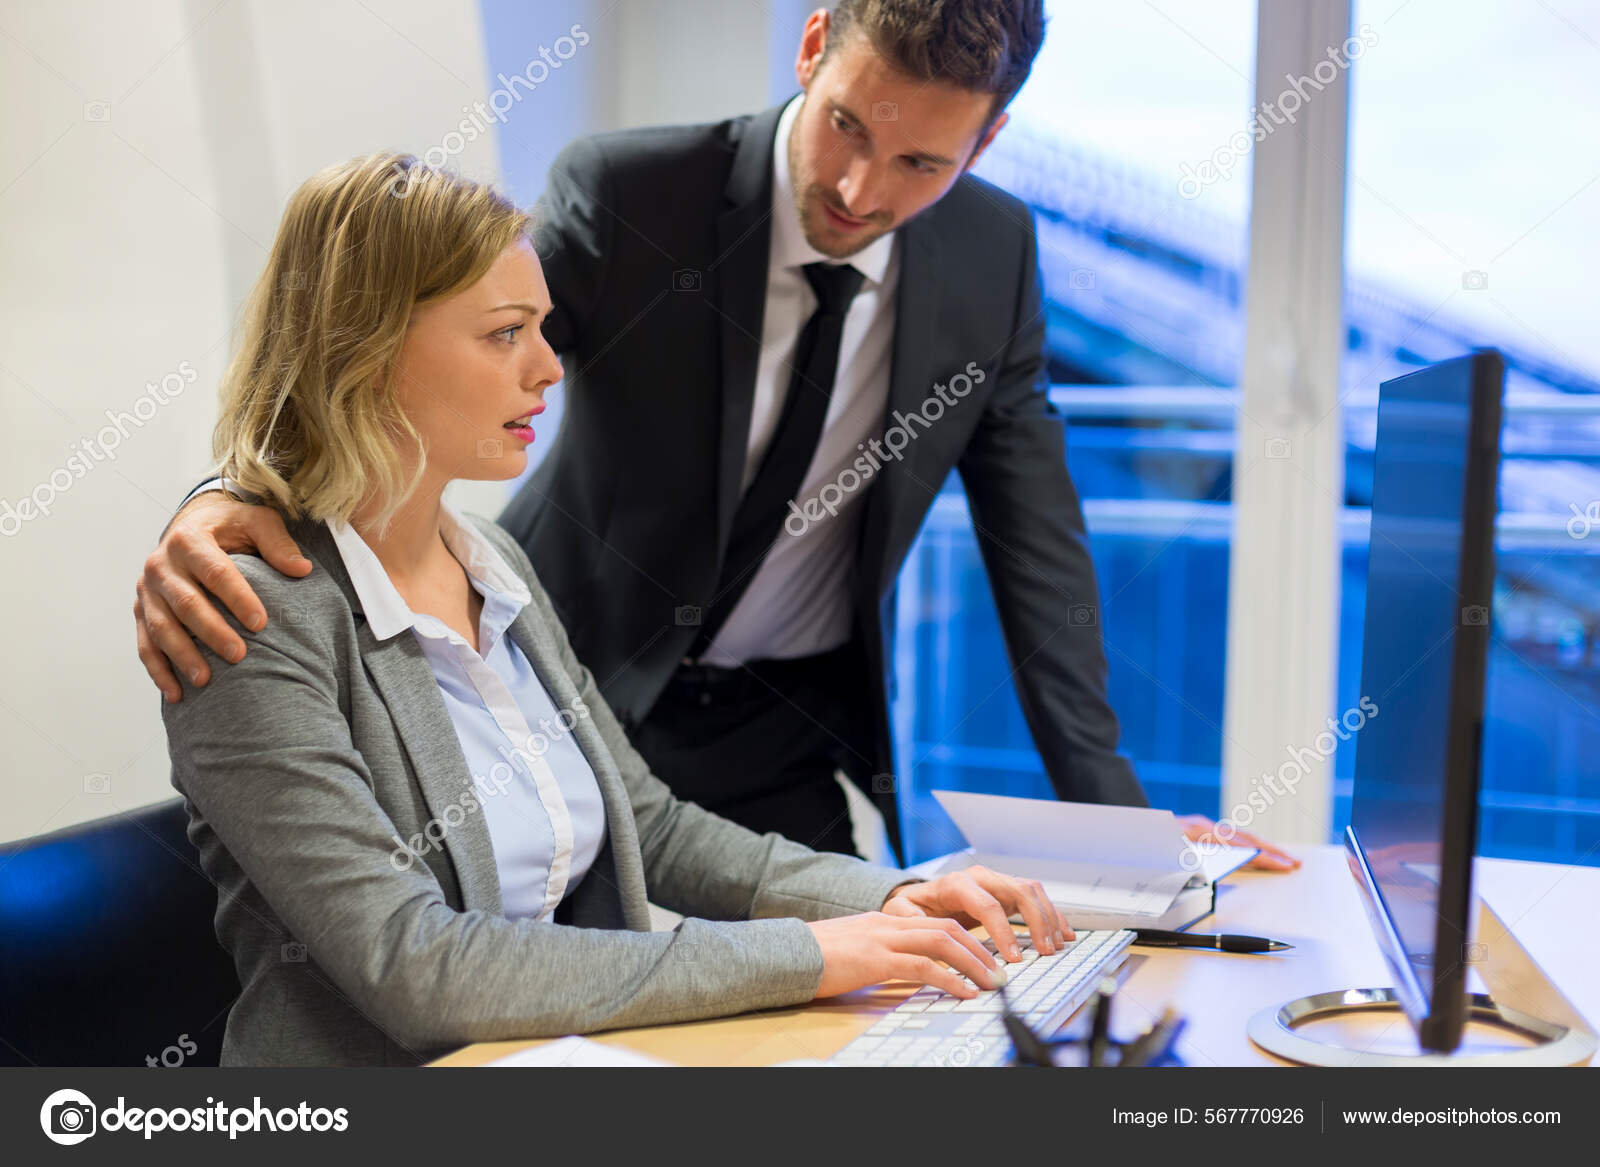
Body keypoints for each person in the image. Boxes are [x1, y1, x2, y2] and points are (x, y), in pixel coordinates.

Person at [137, 0, 1296, 871]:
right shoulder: (639, 194)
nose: (855, 186)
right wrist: (222, 495)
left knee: (860, 1012)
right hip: (568, 698)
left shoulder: (992, 260)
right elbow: (424, 361)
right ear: (811, 45)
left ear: (985, 146)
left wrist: (1123, 838)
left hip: (781, 729)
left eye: (918, 164)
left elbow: (1038, 551)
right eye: (846, 124)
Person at [164, 152, 1078, 1067]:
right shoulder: (255, 613)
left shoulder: (493, 561)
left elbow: (652, 824)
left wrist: (882, 898)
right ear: (366, 346)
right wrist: (807, 954)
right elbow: (417, 965)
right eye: (504, 333)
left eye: (544, 329)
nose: (547, 368)